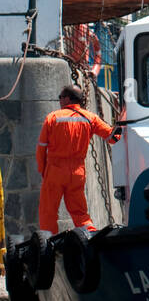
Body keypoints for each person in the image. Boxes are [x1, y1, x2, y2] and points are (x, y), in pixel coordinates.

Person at [37, 84, 122, 234]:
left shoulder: (53, 118)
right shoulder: (90, 118)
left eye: (60, 97)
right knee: (80, 213)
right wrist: (123, 123)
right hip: (77, 173)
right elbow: (113, 138)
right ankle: (90, 238)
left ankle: (48, 245)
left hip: (55, 171)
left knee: (48, 212)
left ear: (67, 99)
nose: (59, 100)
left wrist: (43, 170)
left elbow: (41, 148)